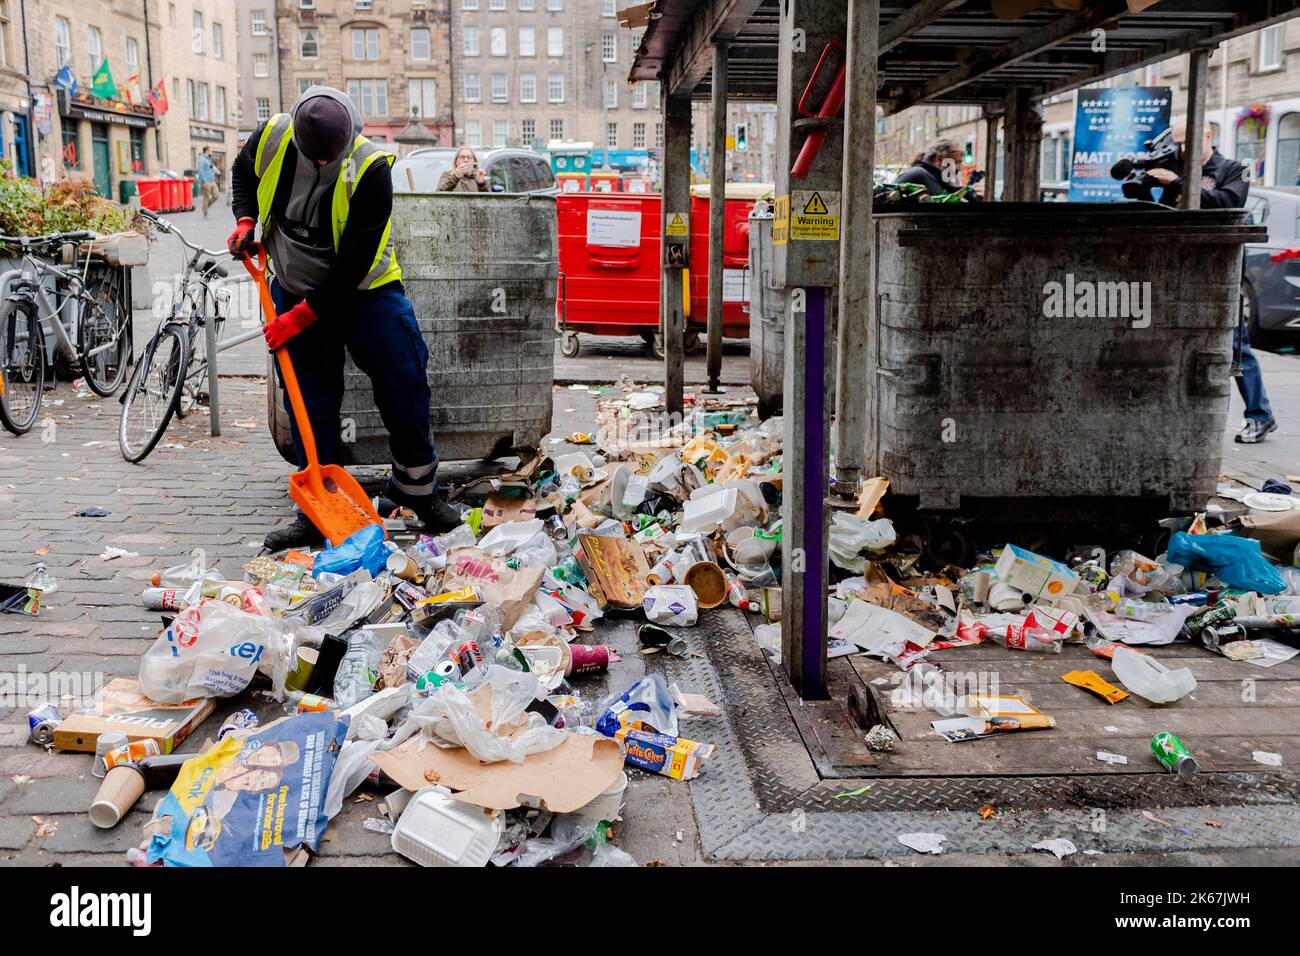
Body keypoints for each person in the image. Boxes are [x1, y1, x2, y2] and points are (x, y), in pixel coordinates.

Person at [228, 85, 462, 550]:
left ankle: (416, 492)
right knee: (309, 401)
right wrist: (244, 219)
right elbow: (241, 174)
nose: (319, 165)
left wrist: (301, 318)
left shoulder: (371, 168)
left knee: (405, 380)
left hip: (365, 292)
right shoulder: (272, 135)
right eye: (312, 157)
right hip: (293, 286)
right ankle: (317, 509)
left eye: (326, 159)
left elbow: (354, 263)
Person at [1128, 121, 1275, 444]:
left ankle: (1260, 416)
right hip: (1178, 265)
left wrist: (1179, 181)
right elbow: (1164, 212)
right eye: (1178, 144)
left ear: (1206, 136)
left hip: (1219, 265)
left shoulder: (1233, 169)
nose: (1181, 150)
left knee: (1235, 342)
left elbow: (1228, 204)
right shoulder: (1173, 166)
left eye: (1185, 142)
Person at [894, 139, 982, 201]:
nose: (959, 168)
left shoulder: (940, 181)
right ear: (938, 159)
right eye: (955, 162)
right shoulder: (916, 174)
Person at [196, 146, 219, 217]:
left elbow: (211, 169)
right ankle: (205, 212)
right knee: (206, 197)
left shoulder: (208, 160)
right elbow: (201, 171)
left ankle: (205, 208)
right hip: (206, 182)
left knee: (216, 195)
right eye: (210, 151)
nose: (211, 152)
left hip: (212, 181)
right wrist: (204, 180)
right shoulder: (202, 159)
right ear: (207, 151)